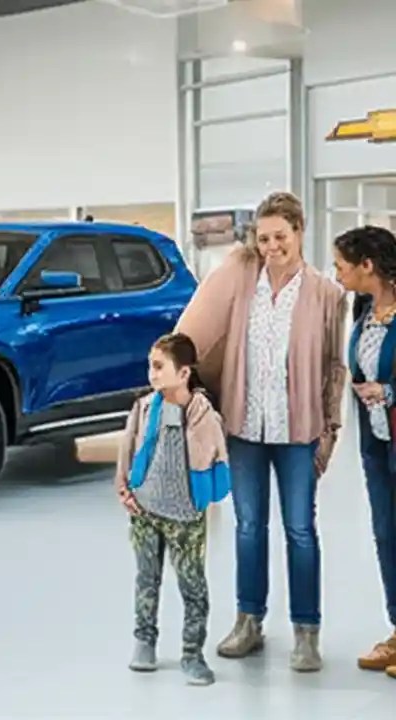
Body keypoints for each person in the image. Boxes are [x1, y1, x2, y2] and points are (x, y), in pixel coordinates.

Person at [175, 190, 348, 672]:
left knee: (300, 530)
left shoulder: (327, 294)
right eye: (264, 238)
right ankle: (248, 621)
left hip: (299, 431)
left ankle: (306, 632)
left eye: (280, 237)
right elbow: (202, 329)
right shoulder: (242, 281)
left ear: (300, 232)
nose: (272, 247)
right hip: (245, 426)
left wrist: (330, 429)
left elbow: (334, 368)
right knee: (249, 527)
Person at [115, 333, 230, 686]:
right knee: (146, 578)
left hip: (185, 516)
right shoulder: (143, 408)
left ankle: (193, 654)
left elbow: (213, 454)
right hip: (145, 510)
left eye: (159, 366)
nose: (152, 373)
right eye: (150, 366)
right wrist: (124, 487)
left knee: (192, 585)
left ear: (183, 373)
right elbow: (128, 448)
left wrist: (190, 413)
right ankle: (144, 640)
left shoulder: (202, 414)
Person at [332, 225, 396, 679]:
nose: (337, 274)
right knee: (386, 533)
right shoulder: (364, 309)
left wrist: (388, 392)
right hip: (377, 442)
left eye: (342, 266)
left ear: (367, 265)